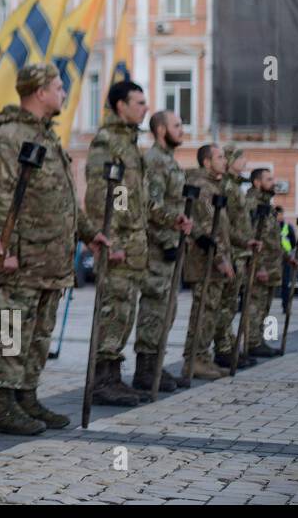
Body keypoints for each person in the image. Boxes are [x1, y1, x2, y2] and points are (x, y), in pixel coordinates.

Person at [0, 63, 107, 434]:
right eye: (58, 86)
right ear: (39, 92)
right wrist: (7, 251)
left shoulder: (49, 137)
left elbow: (65, 199)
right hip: (24, 258)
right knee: (13, 330)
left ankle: (26, 396)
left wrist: (87, 233)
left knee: (38, 334)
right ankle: (2, 405)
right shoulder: (10, 137)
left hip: (51, 259)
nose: (64, 93)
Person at [83, 80, 174, 406]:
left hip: (136, 246)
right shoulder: (108, 142)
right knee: (113, 310)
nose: (145, 108)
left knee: (125, 312)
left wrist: (169, 219)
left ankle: (114, 378)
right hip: (119, 246)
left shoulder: (131, 145)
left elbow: (135, 199)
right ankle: (101, 381)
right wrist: (112, 240)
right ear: (120, 105)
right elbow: (99, 197)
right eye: (138, 102)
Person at [135, 111, 193, 394]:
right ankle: (145, 371)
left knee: (167, 310)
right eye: (177, 125)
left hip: (172, 244)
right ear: (160, 130)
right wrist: (172, 227)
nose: (182, 130)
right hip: (159, 247)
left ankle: (155, 366)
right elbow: (151, 207)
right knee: (155, 308)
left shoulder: (169, 161)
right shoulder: (155, 161)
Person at [181, 145, 235, 380]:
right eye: (220, 157)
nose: (225, 161)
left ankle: (203, 358)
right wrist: (221, 259)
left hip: (213, 262)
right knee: (203, 312)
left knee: (210, 312)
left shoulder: (214, 186)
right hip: (205, 262)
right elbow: (205, 228)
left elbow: (222, 229)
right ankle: (195, 360)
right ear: (206, 162)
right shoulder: (203, 187)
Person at [213, 145, 260, 370]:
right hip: (232, 251)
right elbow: (226, 224)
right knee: (226, 304)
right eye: (241, 159)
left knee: (231, 304)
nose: (245, 163)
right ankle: (222, 348)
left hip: (241, 251)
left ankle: (229, 345)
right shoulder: (227, 187)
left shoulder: (236, 187)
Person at [245, 168, 284, 357]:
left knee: (264, 306)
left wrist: (287, 256)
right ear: (257, 182)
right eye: (269, 179)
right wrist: (257, 266)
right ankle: (251, 343)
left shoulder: (267, 206)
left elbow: (272, 238)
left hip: (272, 266)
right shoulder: (252, 204)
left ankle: (258, 340)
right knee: (255, 304)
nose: (273, 182)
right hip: (259, 267)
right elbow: (251, 237)